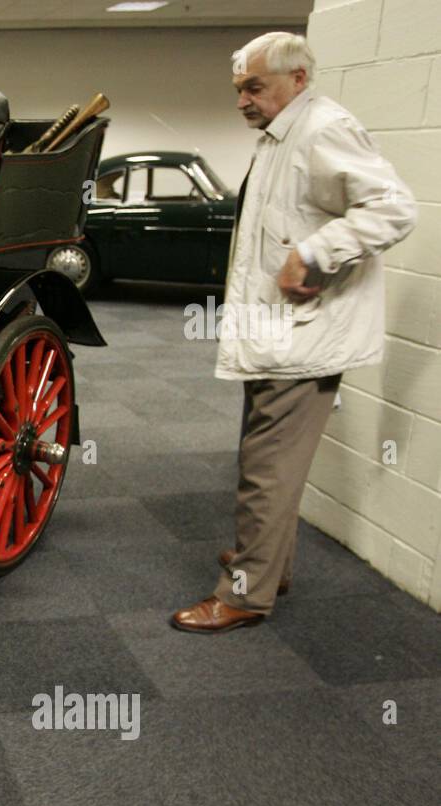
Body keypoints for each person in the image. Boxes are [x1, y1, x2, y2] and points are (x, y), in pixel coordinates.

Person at [171, 31, 416, 634]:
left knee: (266, 469)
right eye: (238, 89)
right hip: (275, 332)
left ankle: (246, 594)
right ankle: (266, 561)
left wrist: (315, 253)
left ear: (298, 79)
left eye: (254, 87)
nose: (242, 101)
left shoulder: (323, 128)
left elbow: (393, 206)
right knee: (266, 461)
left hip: (302, 338)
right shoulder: (283, 134)